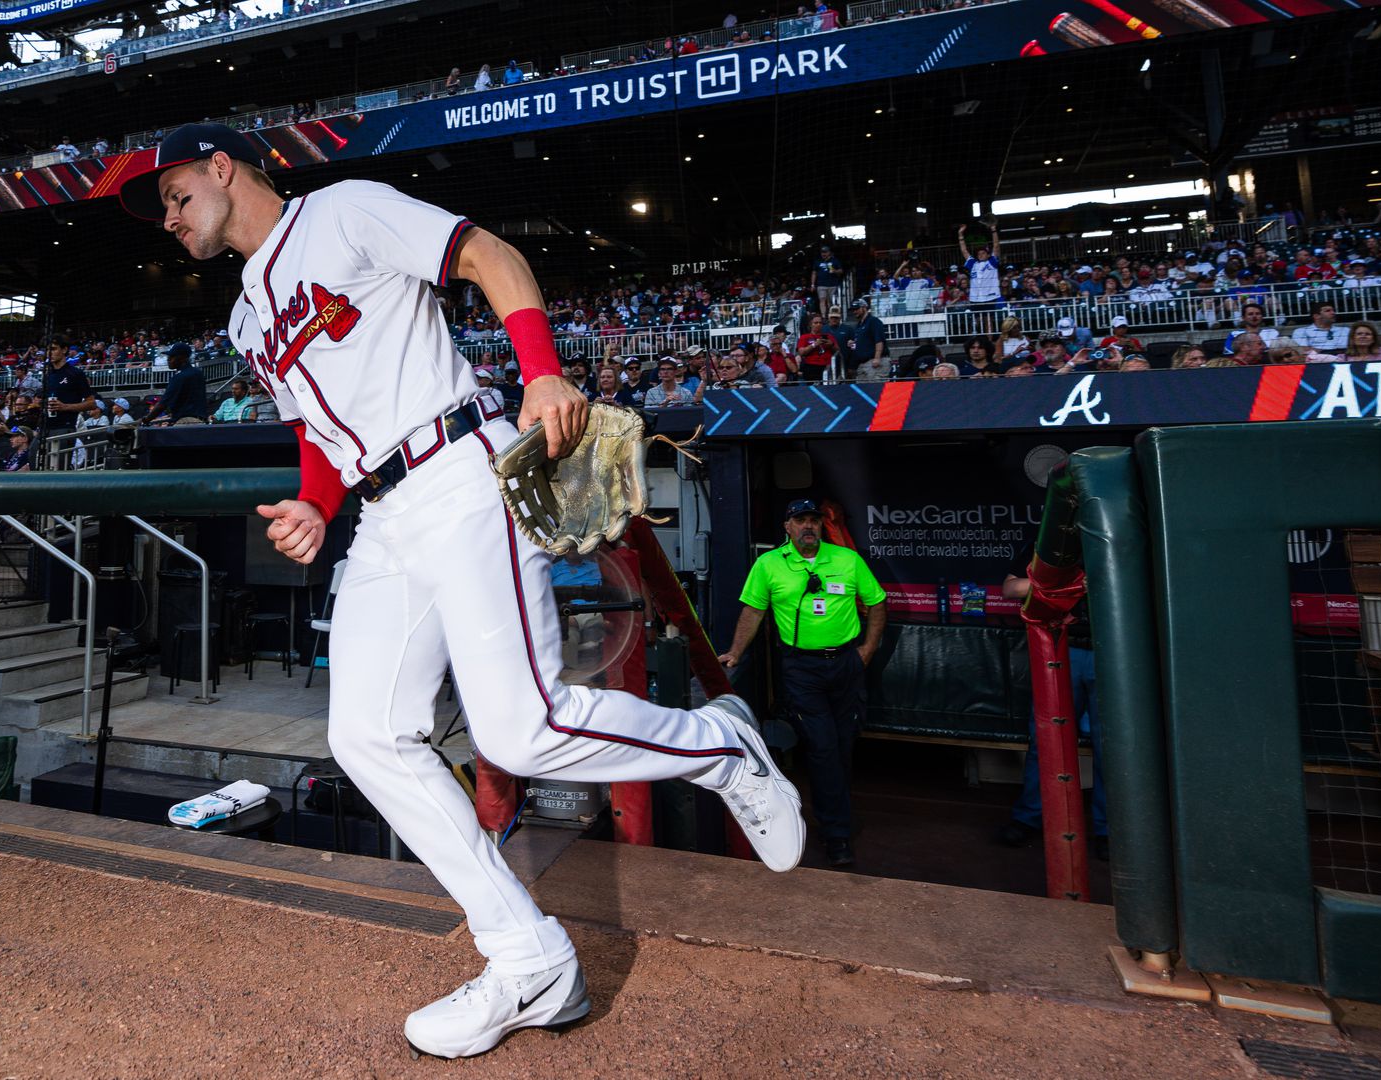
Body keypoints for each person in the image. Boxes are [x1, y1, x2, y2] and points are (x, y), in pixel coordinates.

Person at [117, 122, 802, 1060]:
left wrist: (543, 369)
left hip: (460, 469)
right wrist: (318, 507)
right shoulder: (244, 316)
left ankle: (722, 748)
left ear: (223, 169)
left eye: (175, 195)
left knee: (524, 728)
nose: (169, 216)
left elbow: (488, 254)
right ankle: (528, 960)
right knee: (364, 735)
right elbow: (320, 433)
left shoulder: (343, 212)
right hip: (382, 516)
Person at [717, 499, 887, 868]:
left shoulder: (846, 560)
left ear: (822, 527)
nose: (808, 526)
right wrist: (734, 652)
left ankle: (834, 811)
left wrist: (867, 650)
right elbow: (753, 611)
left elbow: (876, 603)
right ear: (788, 527)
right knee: (824, 749)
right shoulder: (769, 565)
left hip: (846, 663)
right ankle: (838, 835)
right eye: (800, 520)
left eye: (814, 520)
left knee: (842, 746)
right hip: (801, 668)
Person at [998, 570, 1107, 860]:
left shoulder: (1118, 538)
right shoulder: (1054, 542)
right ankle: (1030, 818)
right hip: (1061, 646)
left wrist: (1106, 577)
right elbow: (1011, 588)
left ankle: (1108, 830)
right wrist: (1064, 584)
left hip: (1110, 651)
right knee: (1047, 741)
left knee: (1109, 747)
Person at [146, 344, 208, 423]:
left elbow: (163, 404)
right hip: (200, 421)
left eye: (172, 356)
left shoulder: (179, 376)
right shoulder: (198, 372)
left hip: (185, 422)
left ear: (182, 358)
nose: (168, 359)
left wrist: (145, 420)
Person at [957, 221, 1003, 306]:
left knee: (989, 319)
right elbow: (964, 250)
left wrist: (993, 230)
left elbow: (996, 245)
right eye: (978, 253)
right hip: (975, 297)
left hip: (990, 296)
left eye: (983, 253)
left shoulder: (992, 262)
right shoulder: (972, 263)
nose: (980, 255)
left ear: (988, 254)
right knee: (977, 318)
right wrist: (960, 234)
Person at [791, 313, 836, 382]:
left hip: (828, 365)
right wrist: (814, 345)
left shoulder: (829, 336)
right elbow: (801, 352)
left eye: (820, 323)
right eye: (816, 323)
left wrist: (831, 344)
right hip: (811, 366)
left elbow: (838, 351)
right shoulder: (804, 337)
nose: (818, 324)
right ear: (810, 325)